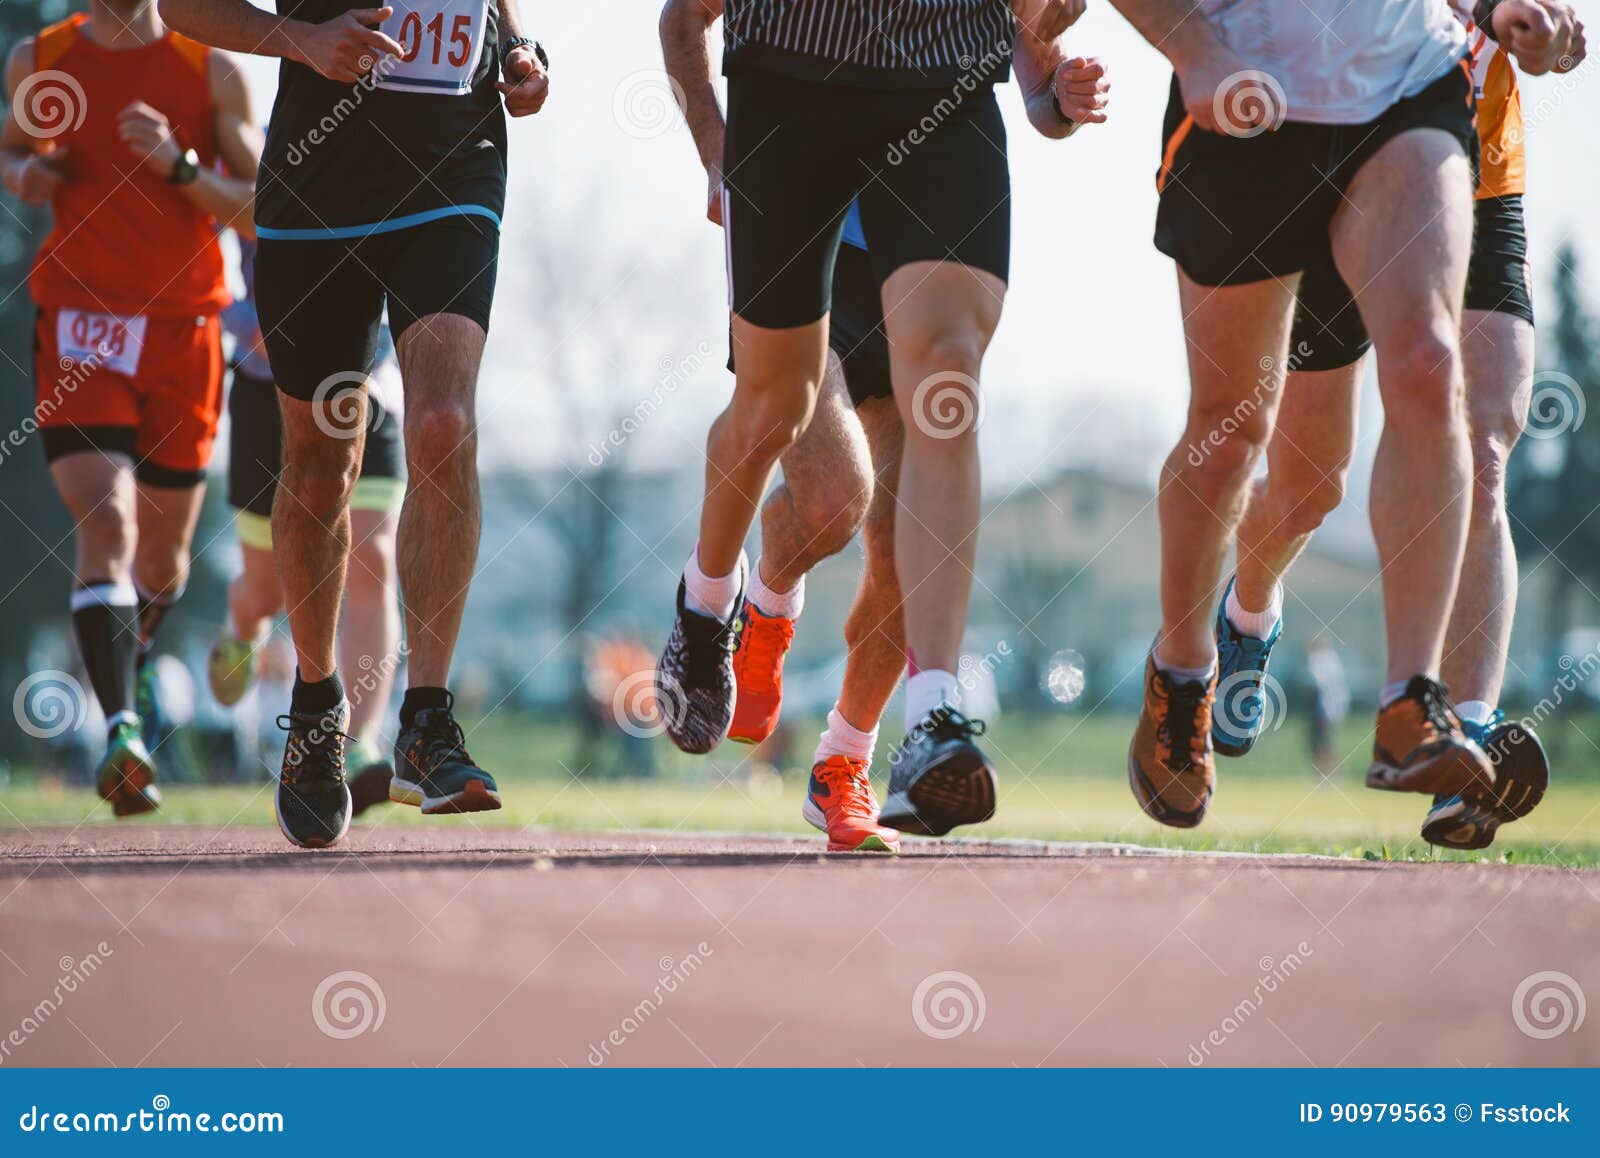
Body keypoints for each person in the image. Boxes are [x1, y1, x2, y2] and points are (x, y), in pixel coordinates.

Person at [658, 0, 1109, 851]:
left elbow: (1035, 71)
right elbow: (684, 22)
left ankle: (850, 758)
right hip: (806, 189)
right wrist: (717, 154)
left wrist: (1061, 97)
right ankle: (727, 603)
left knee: (908, 528)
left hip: (923, 212)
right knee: (830, 494)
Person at [1109, 0, 1513, 829]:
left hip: (1405, 81)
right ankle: (1183, 672)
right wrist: (1189, 46)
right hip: (1247, 88)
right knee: (1234, 430)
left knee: (1432, 365)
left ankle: (1411, 700)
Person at [161, 0, 550, 847]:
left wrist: (516, 45)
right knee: (317, 465)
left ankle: (426, 720)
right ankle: (314, 704)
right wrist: (301, 40)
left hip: (455, 164)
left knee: (442, 424)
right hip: (317, 184)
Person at [1212, 0, 1584, 848]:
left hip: (1480, 172)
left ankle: (1465, 748)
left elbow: (1547, 32)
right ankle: (1247, 612)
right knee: (1310, 483)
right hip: (1339, 159)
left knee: (1485, 445)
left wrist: (1550, 36)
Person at [0, 0, 260, 817]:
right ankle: (122, 730)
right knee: (106, 523)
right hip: (80, 323)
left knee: (163, 563)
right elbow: (9, 153)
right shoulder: (39, 56)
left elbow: (258, 207)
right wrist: (25, 175)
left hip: (183, 330)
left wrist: (182, 169)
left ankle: (136, 657)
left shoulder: (211, 66)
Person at [209, 239, 406, 817]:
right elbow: (190, 247)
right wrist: (248, 319)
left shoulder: (392, 151)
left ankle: (358, 744)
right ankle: (243, 625)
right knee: (271, 590)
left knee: (373, 556)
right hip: (266, 382)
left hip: (368, 377)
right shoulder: (248, 147)